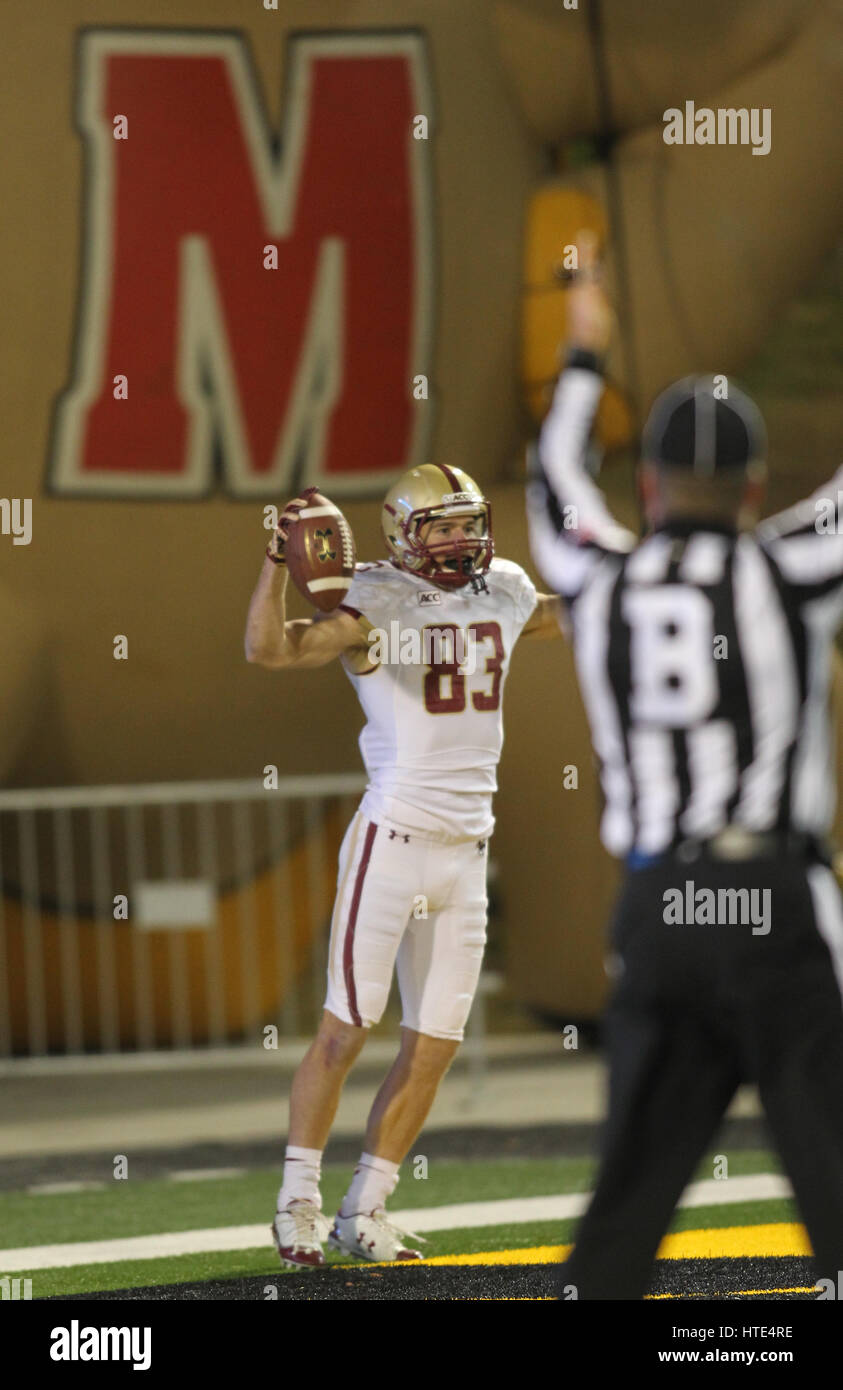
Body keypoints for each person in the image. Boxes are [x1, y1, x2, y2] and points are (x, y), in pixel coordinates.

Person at [527, 233, 843, 1300]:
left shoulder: (599, 576)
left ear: (651, 482)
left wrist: (585, 350)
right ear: (753, 483)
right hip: (773, 903)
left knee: (625, 1211)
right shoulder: (789, 569)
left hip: (662, 906)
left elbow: (558, 479)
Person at [245, 464, 562, 1266]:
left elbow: (580, 613)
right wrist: (275, 566)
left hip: (466, 854)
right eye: (441, 527)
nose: (460, 540)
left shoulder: (508, 590)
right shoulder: (373, 597)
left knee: (434, 1043)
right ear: (399, 533)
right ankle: (295, 1205)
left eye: (468, 523)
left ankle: (367, 1210)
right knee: (342, 1033)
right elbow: (270, 652)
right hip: (392, 841)